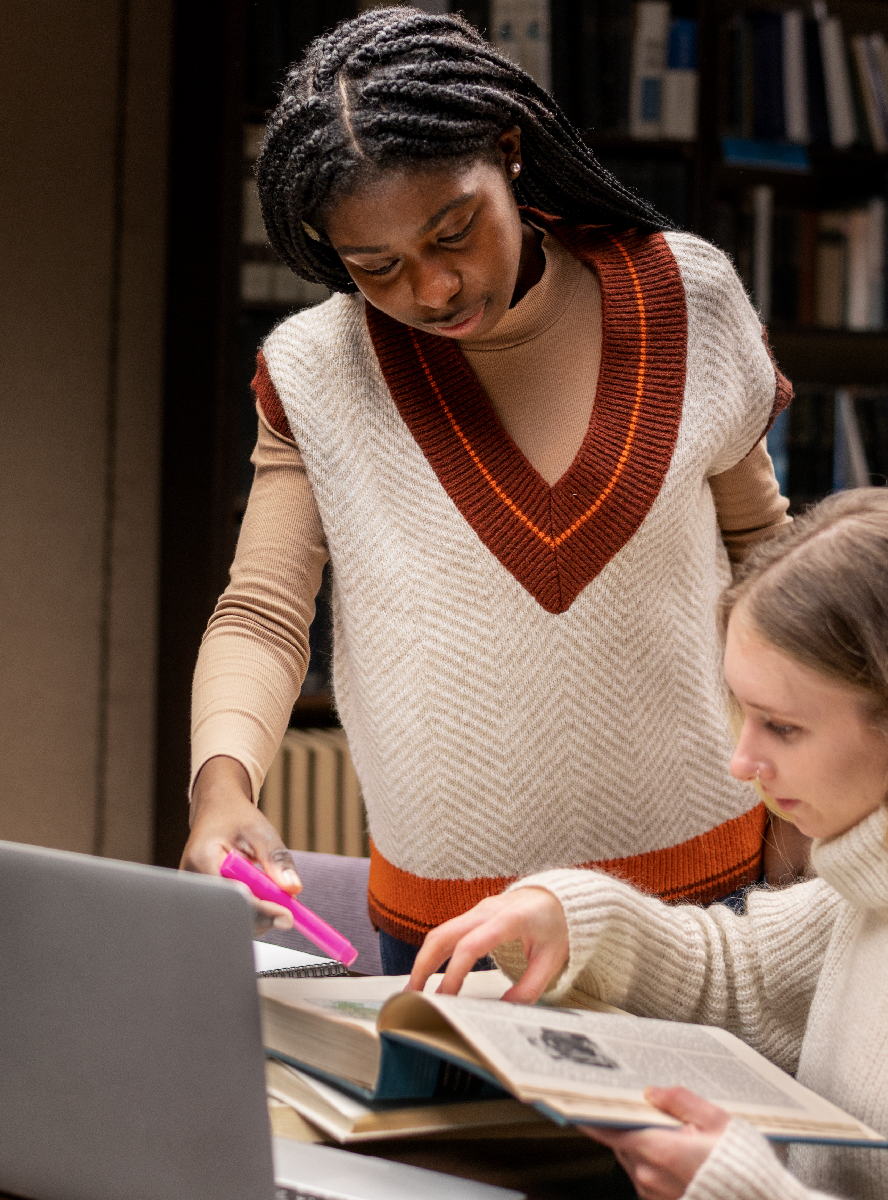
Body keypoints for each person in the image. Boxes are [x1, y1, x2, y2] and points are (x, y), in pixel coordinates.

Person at [182, 7, 807, 973]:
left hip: (701, 901)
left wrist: (803, 788)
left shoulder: (689, 301)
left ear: (510, 154)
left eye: (455, 231)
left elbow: (764, 559)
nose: (432, 289)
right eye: (377, 267)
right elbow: (263, 614)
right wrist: (220, 786)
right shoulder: (318, 371)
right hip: (442, 937)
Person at [411, 488, 888, 1200]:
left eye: (781, 726)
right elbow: (740, 976)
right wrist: (567, 916)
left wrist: (744, 1191)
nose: (742, 761)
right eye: (744, 715)